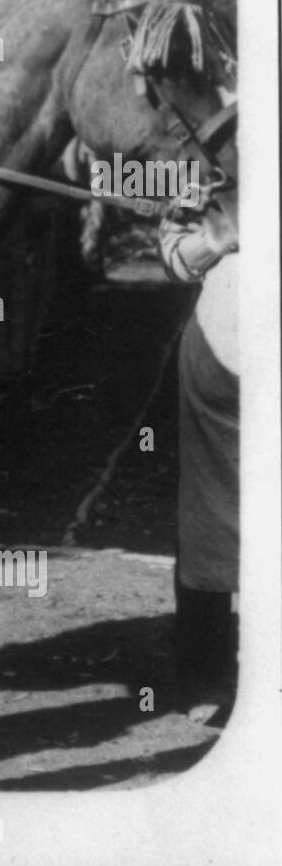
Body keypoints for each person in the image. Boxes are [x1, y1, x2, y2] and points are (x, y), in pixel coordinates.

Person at [159, 193, 239, 725]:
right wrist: (216, 239)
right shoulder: (212, 144)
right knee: (211, 514)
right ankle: (206, 671)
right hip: (227, 348)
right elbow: (172, 254)